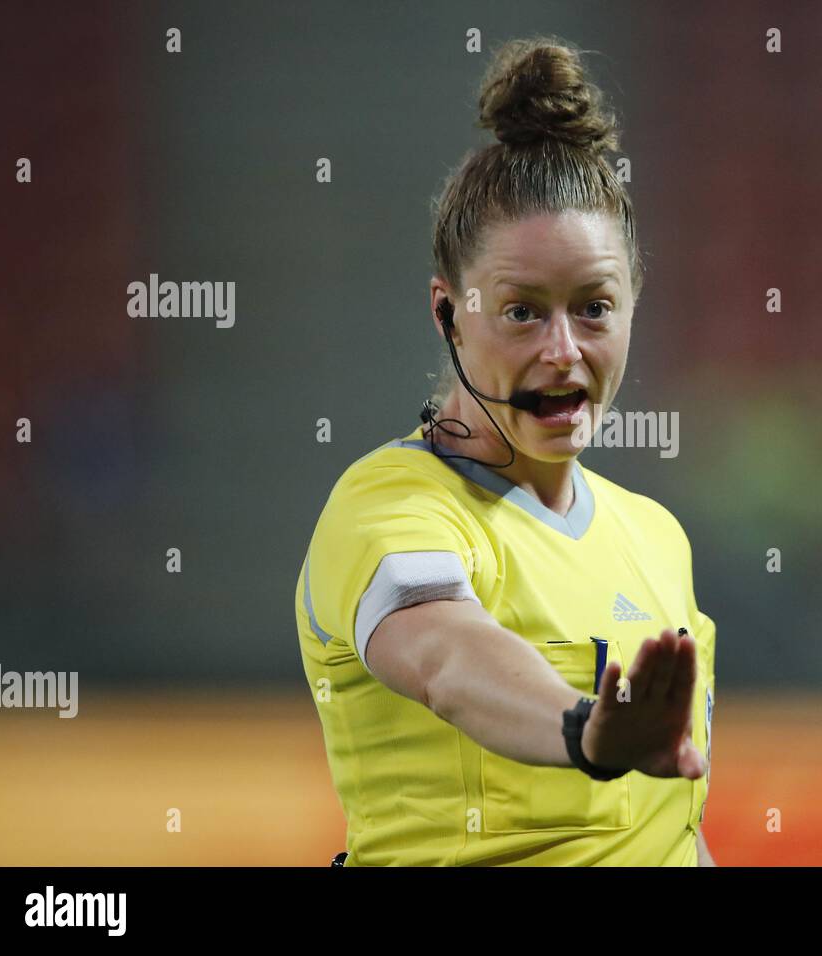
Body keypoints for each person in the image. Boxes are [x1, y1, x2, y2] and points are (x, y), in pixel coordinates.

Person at [295, 36, 716, 866]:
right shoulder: (389, 508)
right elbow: (449, 659)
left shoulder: (656, 538)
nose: (563, 349)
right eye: (522, 312)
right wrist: (583, 732)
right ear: (449, 314)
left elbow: (672, 833)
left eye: (595, 308)